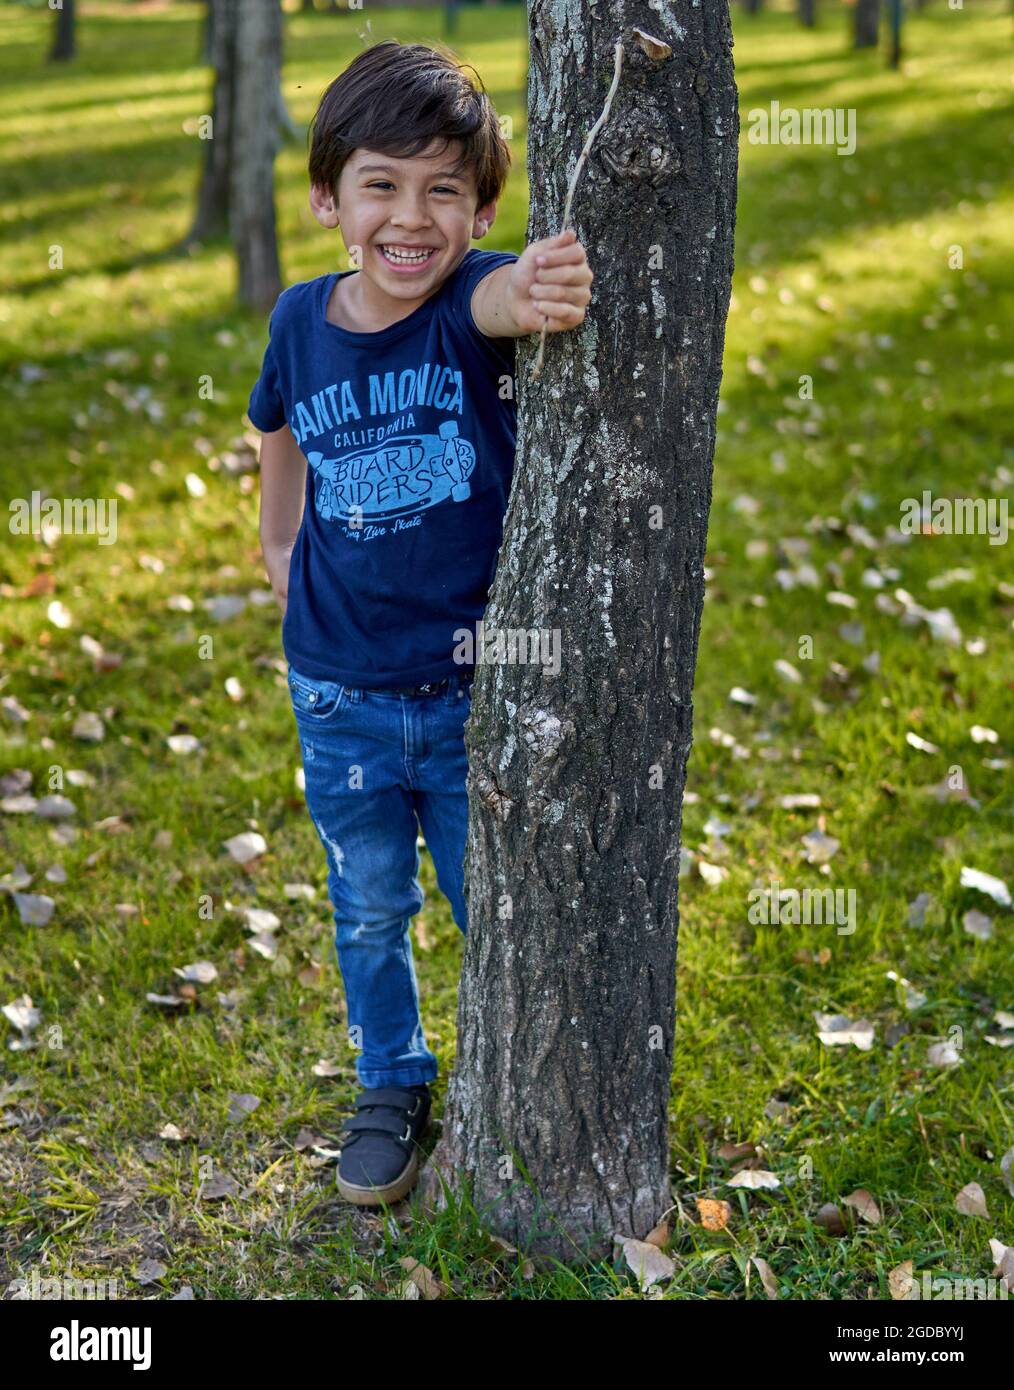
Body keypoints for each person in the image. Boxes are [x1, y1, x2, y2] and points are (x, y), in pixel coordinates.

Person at [247, 39, 592, 1206]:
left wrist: (531, 282)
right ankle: (390, 1076)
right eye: (381, 186)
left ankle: (530, 1079)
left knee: (487, 891)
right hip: (337, 688)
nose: (412, 217)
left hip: (465, 693)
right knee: (368, 904)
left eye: (444, 188)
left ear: (481, 204)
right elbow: (276, 426)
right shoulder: (299, 320)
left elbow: (502, 295)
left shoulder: (464, 311)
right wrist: (278, 541)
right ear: (327, 198)